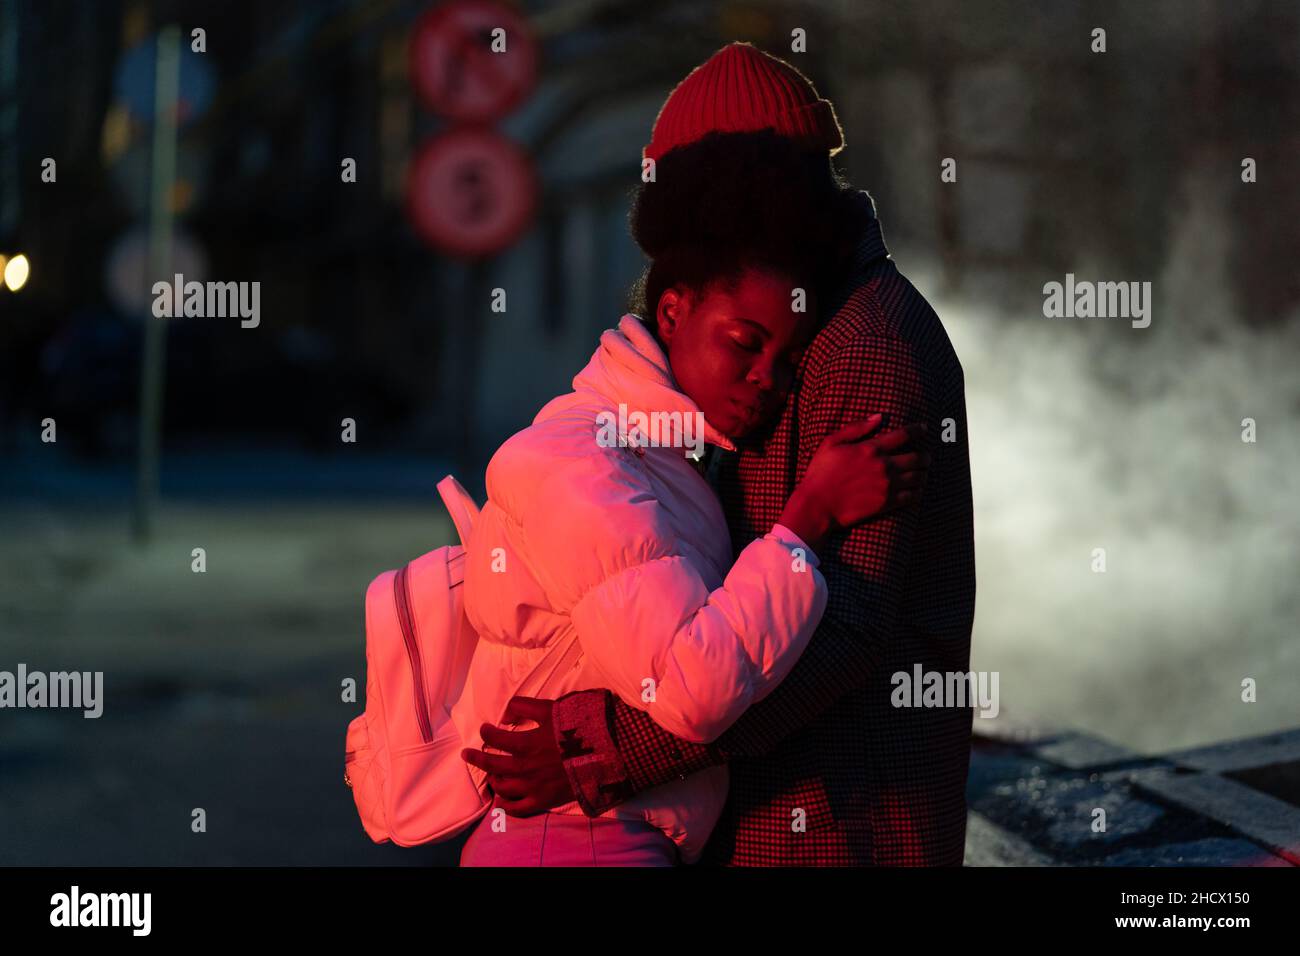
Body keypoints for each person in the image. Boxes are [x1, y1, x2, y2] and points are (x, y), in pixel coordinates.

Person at [462, 42, 976, 866]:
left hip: (840, 817)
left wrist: (601, 748)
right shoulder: (784, 325)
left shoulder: (867, 346)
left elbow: (843, 629)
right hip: (763, 807)